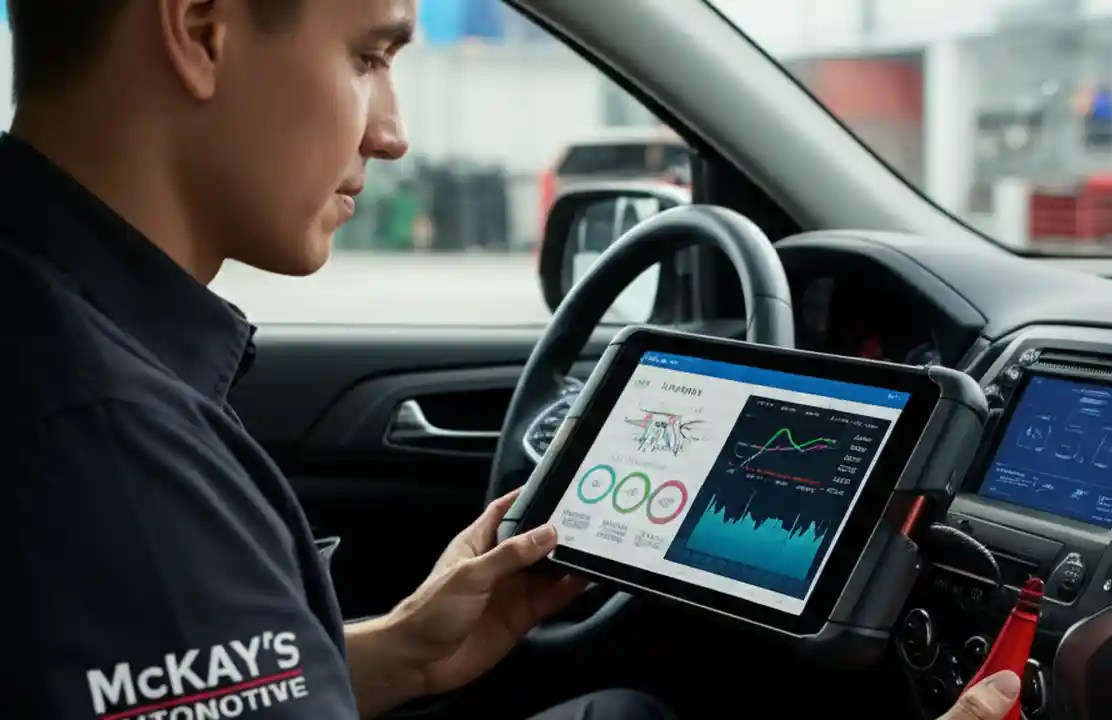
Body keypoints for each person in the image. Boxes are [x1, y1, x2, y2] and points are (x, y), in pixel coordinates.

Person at [0, 1, 1023, 718]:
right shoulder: (108, 451)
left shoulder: (62, 342)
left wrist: (392, 652)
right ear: (201, 29)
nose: (392, 132)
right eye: (367, 56)